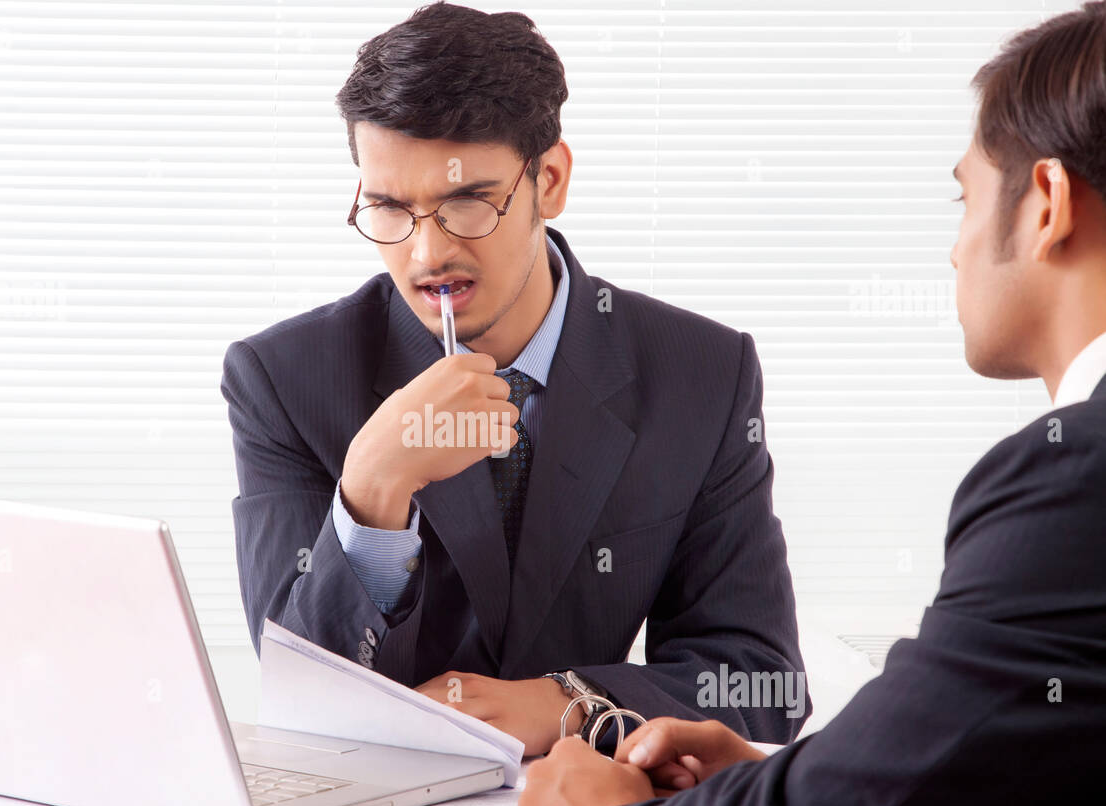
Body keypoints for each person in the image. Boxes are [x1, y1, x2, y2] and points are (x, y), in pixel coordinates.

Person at [515, 1, 1106, 806]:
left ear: (1046, 202)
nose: (954, 249)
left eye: (964, 194)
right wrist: (772, 776)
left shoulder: (1073, 477)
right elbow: (1003, 779)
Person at [220, 2, 808, 757]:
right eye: (390, 208)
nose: (427, 253)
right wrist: (371, 491)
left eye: (467, 202)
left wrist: (570, 703)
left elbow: (759, 681)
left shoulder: (700, 372)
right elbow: (301, 704)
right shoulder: (285, 379)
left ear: (550, 181)